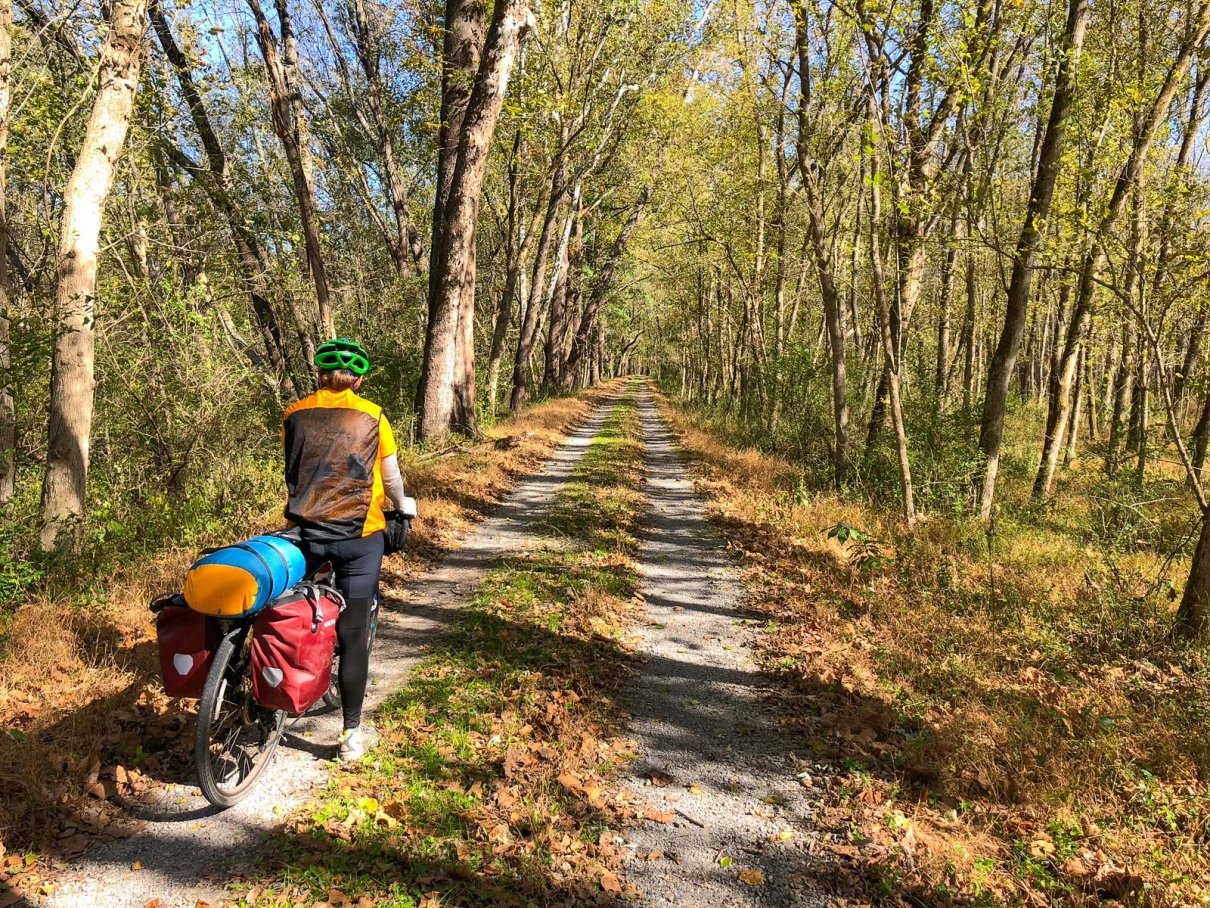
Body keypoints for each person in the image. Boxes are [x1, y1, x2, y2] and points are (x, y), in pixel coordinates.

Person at [282, 338, 407, 762]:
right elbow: (390, 479)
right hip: (360, 537)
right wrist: (402, 509)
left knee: (295, 617)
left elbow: (294, 470)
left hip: (306, 533)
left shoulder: (294, 413)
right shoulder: (373, 415)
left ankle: (273, 698)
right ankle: (351, 736)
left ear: (318, 374)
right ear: (360, 378)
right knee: (354, 637)